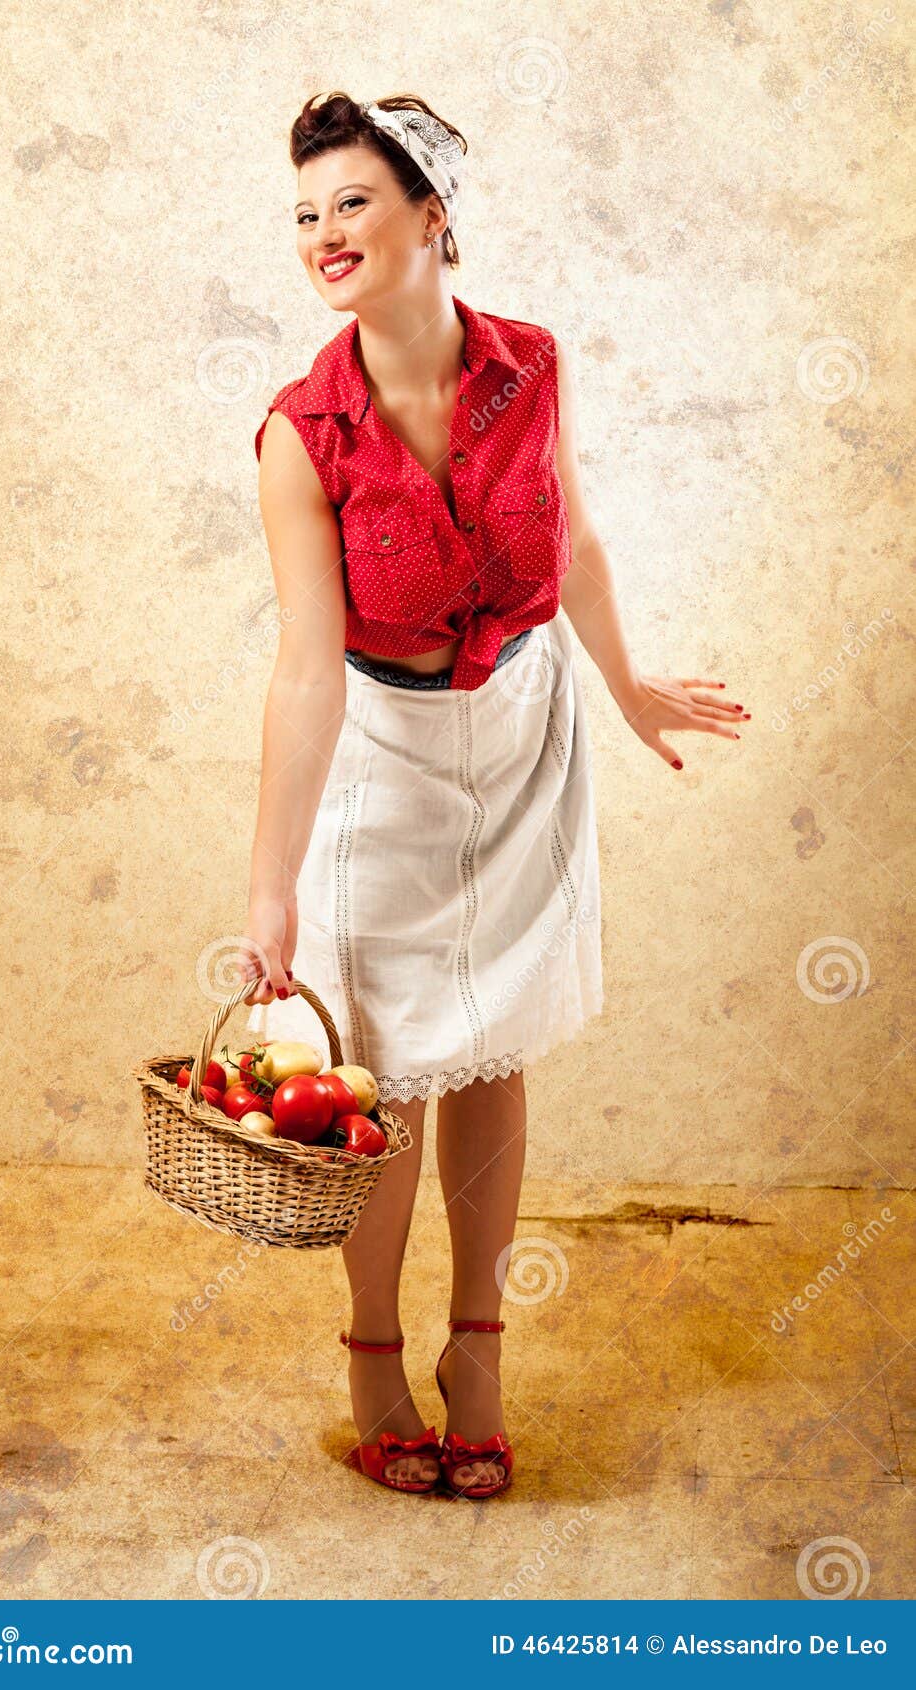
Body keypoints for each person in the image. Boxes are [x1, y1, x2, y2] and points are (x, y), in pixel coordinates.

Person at [238, 91, 748, 1499]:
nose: (324, 234)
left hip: (523, 725)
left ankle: (479, 1350)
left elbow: (569, 532)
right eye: (304, 214)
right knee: (389, 1070)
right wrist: (272, 887)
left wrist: (631, 685)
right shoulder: (302, 434)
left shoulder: (532, 365)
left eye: (352, 202)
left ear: (430, 215)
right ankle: (372, 1352)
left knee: (492, 1039)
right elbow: (304, 669)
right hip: (381, 753)